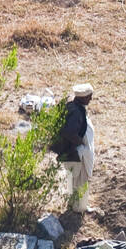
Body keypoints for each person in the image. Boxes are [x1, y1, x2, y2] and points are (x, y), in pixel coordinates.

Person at [52, 83, 96, 213]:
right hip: (75, 153)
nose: (91, 99)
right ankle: (79, 208)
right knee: (80, 180)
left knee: (72, 180)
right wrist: (80, 145)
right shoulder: (76, 112)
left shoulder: (72, 106)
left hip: (69, 152)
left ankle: (72, 205)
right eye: (89, 96)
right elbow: (69, 132)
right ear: (82, 97)